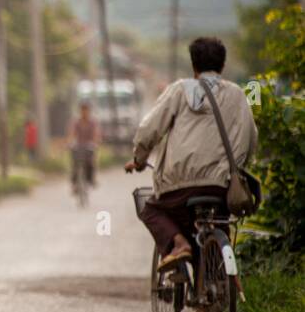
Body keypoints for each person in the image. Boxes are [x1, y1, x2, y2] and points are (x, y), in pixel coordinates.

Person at [125, 36, 258, 269]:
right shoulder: (237, 94)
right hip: (222, 187)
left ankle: (179, 244)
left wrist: (139, 159)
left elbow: (149, 130)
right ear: (222, 66)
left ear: (194, 66)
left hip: (179, 188)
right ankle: (218, 286)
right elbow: (251, 139)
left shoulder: (178, 91)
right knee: (218, 223)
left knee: (150, 209)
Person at [69, 103, 99, 188]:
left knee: (91, 161)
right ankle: (74, 182)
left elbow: (95, 134)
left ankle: (91, 179)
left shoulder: (92, 122)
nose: (84, 112)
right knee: (74, 162)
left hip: (89, 145)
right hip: (79, 145)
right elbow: (72, 133)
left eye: (86, 110)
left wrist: (95, 143)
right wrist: (70, 142)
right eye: (82, 110)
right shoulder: (76, 122)